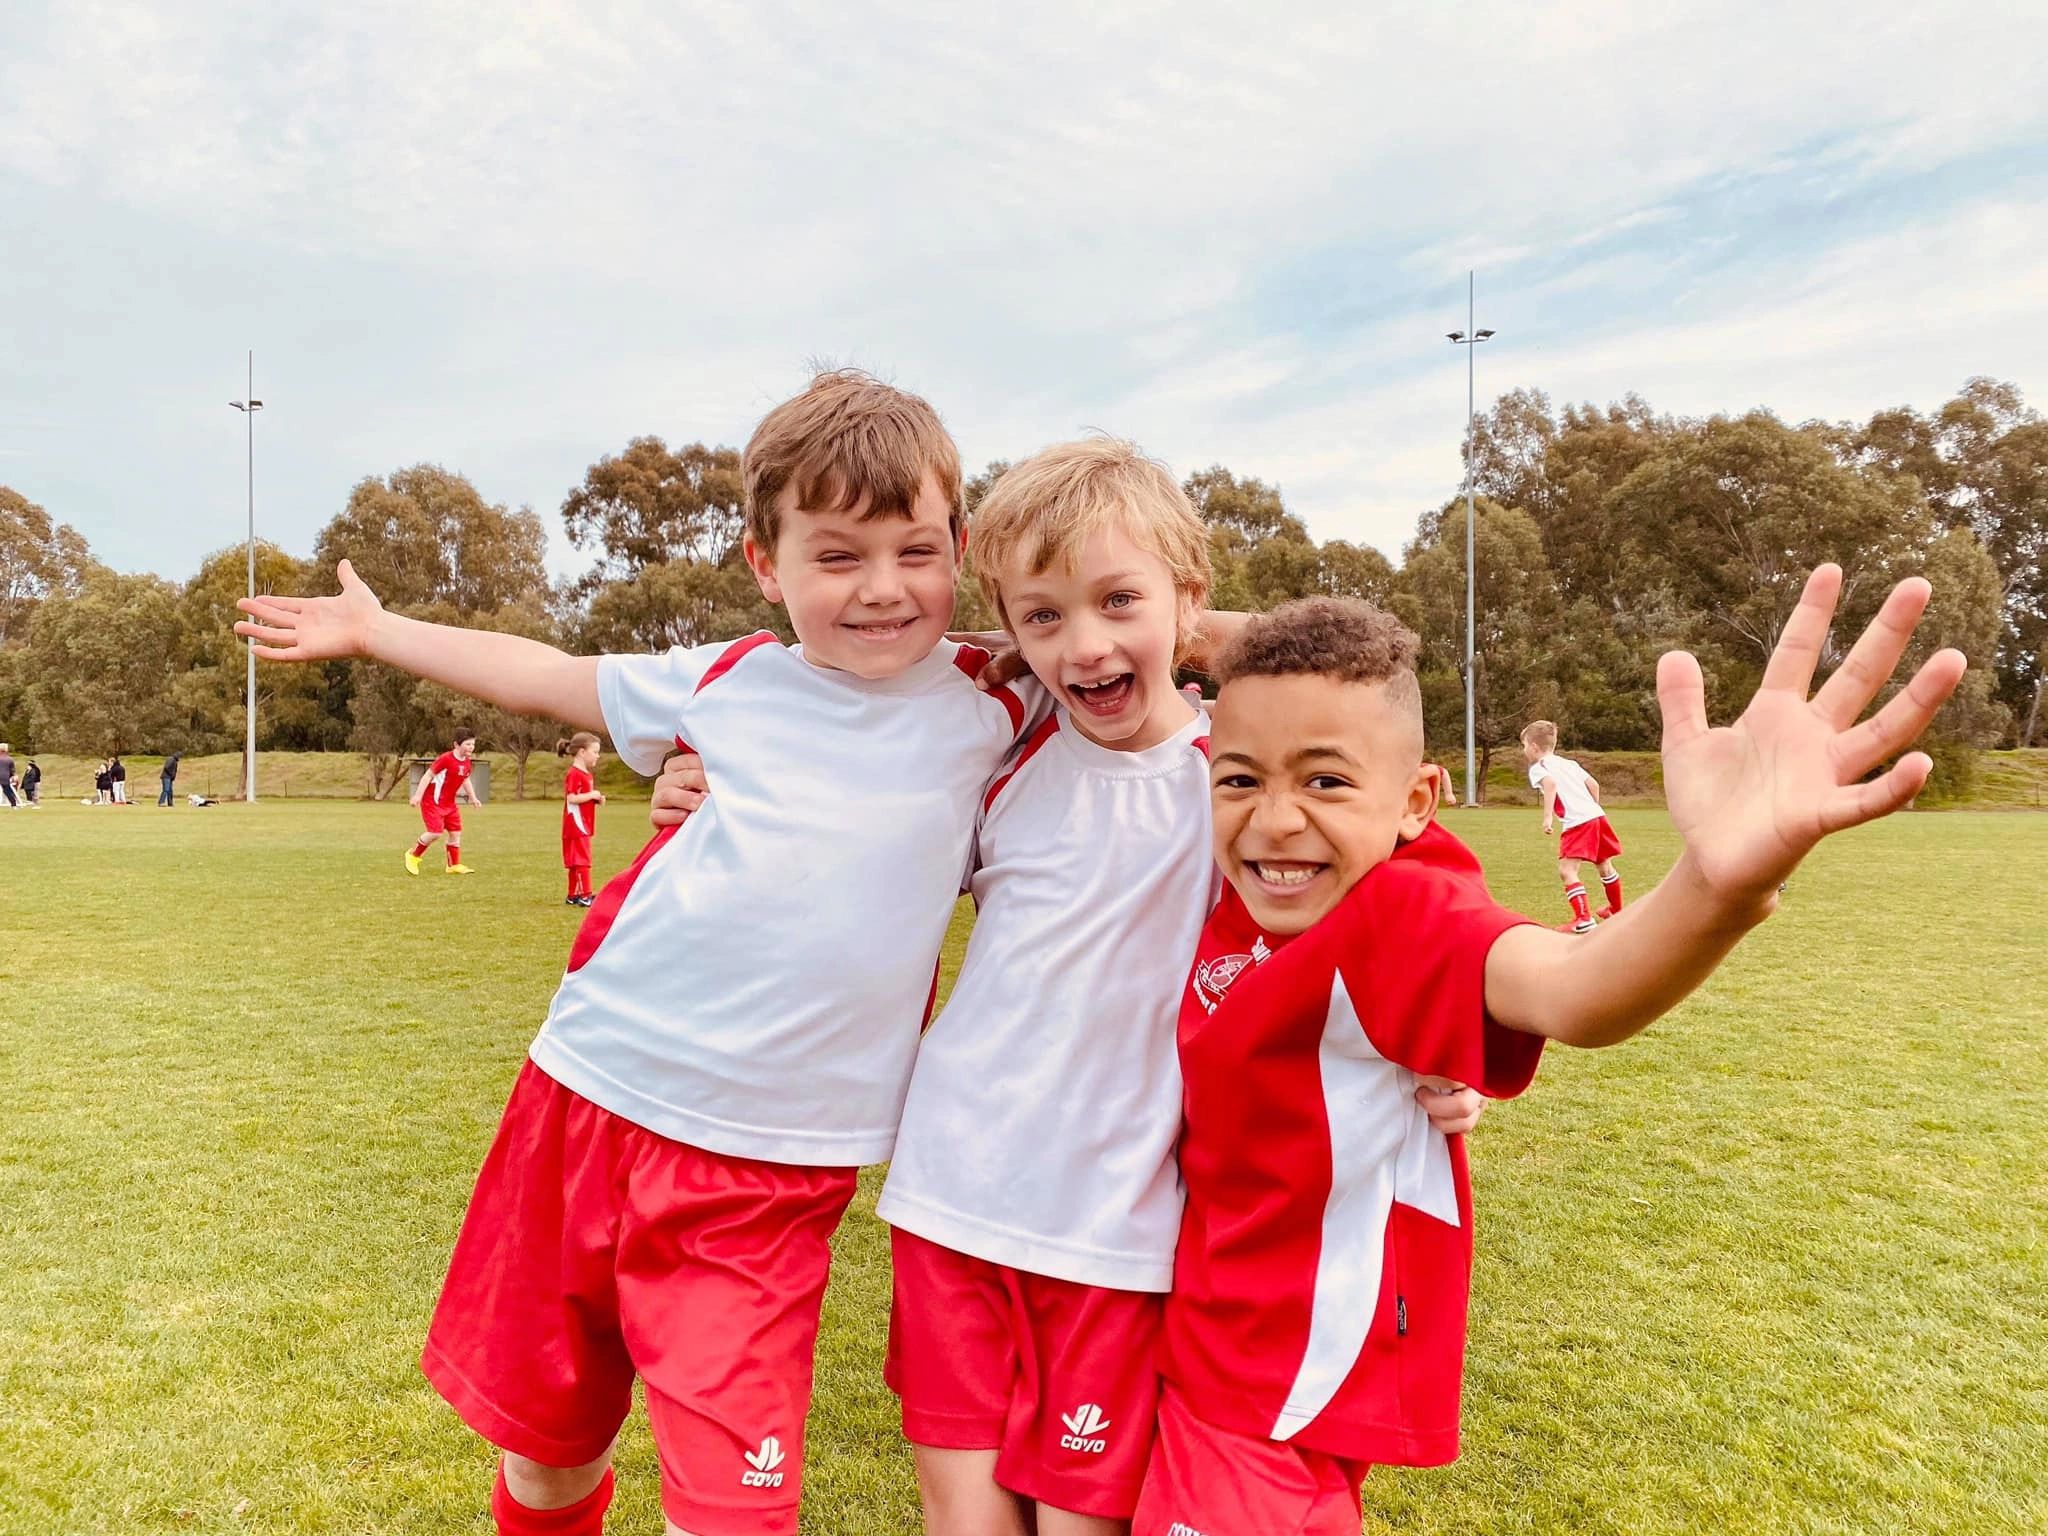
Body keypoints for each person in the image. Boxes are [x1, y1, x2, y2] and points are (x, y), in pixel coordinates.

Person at [235, 369, 1047, 1536]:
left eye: (915, 551)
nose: (882, 589)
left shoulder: (999, 700)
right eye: (835, 557)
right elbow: (551, 676)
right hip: (585, 1100)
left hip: (770, 1174)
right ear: (765, 564)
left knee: (733, 1509)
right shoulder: (724, 682)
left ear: (959, 544)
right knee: (547, 1457)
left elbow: (1141, 656)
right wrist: (377, 632)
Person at [650, 440, 1485, 1536]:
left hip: (1122, 1236)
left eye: (1118, 602)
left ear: (1188, 603)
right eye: (1041, 618)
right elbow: (847, 840)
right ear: (1005, 630)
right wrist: (717, 785)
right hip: (949, 1205)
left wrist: (1443, 1052)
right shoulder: (999, 763)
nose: (1083, 644)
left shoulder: (1232, 781)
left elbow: (1400, 871)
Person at [1128, 578, 1964, 1536]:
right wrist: (1102, 637)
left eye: (1324, 781)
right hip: (1222, 1365)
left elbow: (1576, 989)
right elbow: (1246, 662)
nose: (1275, 819)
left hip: (1268, 1388)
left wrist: (1715, 888)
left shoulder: (1394, 916)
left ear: (1415, 802)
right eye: (1241, 779)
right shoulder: (1251, 894)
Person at [1521, 719, 1621, 931]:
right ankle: (1616, 910)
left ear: (1534, 747)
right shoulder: (1569, 764)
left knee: (1567, 870)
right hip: (1596, 816)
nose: (1524, 750)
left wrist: (1547, 817)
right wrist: (1591, 808)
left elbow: (1550, 784)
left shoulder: (1539, 767)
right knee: (1603, 863)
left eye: (1524, 746)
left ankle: (1583, 918)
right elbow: (1594, 785)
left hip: (1578, 822)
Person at [407, 729, 483, 875]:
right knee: (435, 833)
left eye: (473, 744)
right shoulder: (446, 759)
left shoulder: (467, 762)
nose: (471, 747)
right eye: (467, 744)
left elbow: (465, 780)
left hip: (449, 804)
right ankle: (413, 855)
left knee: (455, 833)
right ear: (456, 744)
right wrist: (418, 796)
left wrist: (473, 798)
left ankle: (453, 865)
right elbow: (428, 776)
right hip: (433, 801)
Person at [557, 733, 605, 907]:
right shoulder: (574, 773)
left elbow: (580, 798)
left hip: (581, 824)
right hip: (577, 825)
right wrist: (592, 794)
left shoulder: (586, 775)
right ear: (582, 752)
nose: (598, 756)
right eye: (595, 751)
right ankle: (585, 895)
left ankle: (573, 895)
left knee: (575, 861)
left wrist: (595, 799)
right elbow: (572, 798)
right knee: (582, 860)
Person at [0, 742, 15, 809]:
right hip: (5, 777)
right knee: (7, 791)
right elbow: (12, 770)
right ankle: (13, 804)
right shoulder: (10, 759)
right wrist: (11, 776)